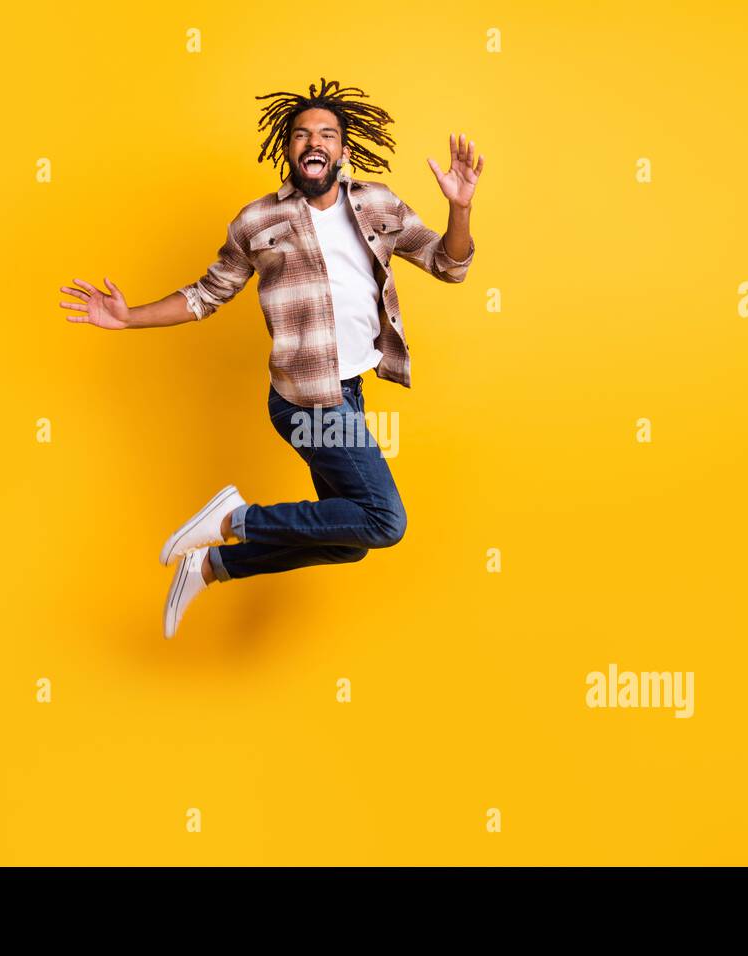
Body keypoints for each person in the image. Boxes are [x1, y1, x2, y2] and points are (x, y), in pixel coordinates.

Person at [58, 78, 484, 638]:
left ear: (343, 151)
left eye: (327, 134)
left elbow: (449, 265)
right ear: (287, 150)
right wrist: (128, 315)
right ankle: (234, 519)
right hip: (305, 398)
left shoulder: (378, 204)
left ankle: (213, 564)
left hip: (350, 392)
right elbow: (205, 295)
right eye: (302, 133)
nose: (315, 142)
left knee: (348, 543)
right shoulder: (256, 222)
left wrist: (460, 209)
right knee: (385, 521)